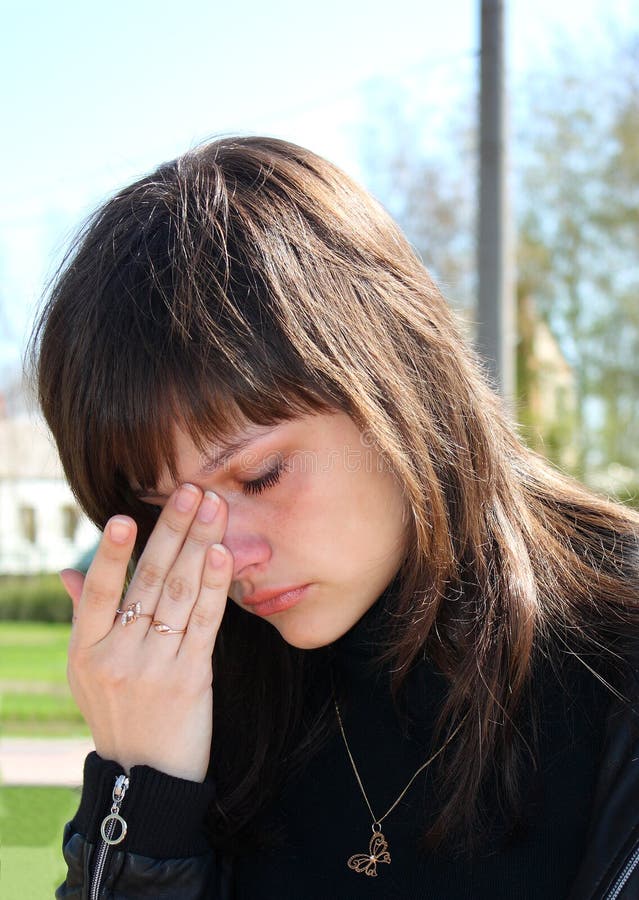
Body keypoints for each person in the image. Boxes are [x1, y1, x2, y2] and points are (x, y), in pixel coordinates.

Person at [31, 136, 638, 899]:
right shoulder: (202, 691)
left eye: (259, 474)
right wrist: (140, 796)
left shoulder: (615, 661)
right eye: (163, 512)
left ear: (400, 378)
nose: (226, 554)